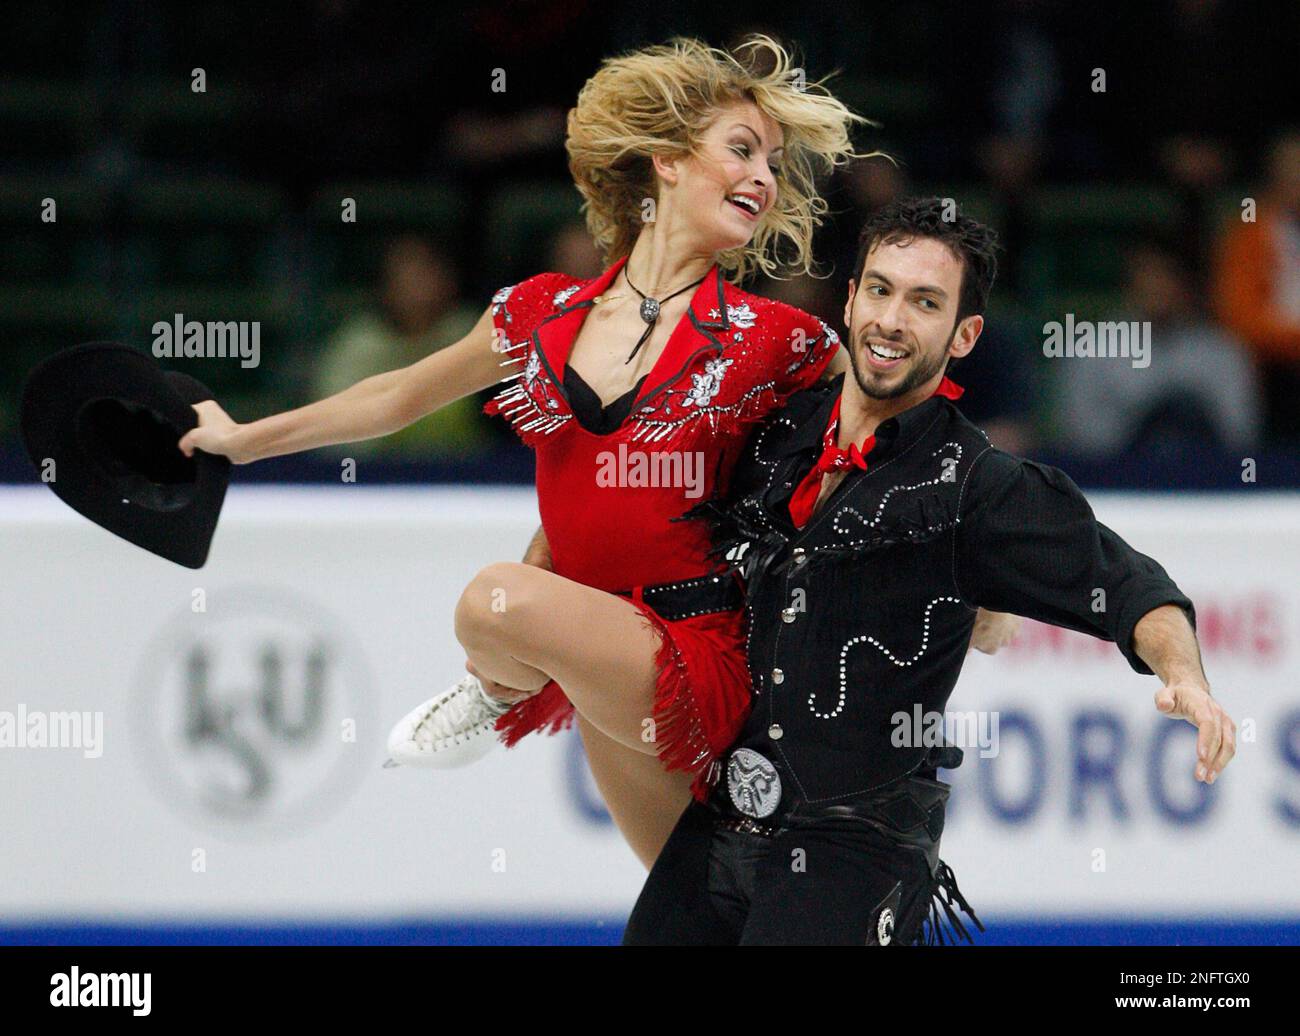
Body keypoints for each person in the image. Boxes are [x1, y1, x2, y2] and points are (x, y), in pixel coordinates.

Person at [179, 35, 1016, 869]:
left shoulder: (776, 340)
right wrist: (246, 441)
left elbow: (905, 436)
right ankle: (514, 679)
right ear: (665, 161)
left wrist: (971, 567)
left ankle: (494, 687)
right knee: (701, 913)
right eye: (741, 149)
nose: (764, 176)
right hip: (604, 669)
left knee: (494, 601)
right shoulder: (538, 311)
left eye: (772, 160)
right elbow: (394, 395)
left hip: (698, 651)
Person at [622, 197, 1236, 945]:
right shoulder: (774, 429)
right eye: (879, 290)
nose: (890, 319)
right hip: (721, 819)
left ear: (964, 333)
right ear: (848, 299)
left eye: (924, 302)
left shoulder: (978, 486)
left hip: (853, 845)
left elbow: (1132, 586)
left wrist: (1188, 677)